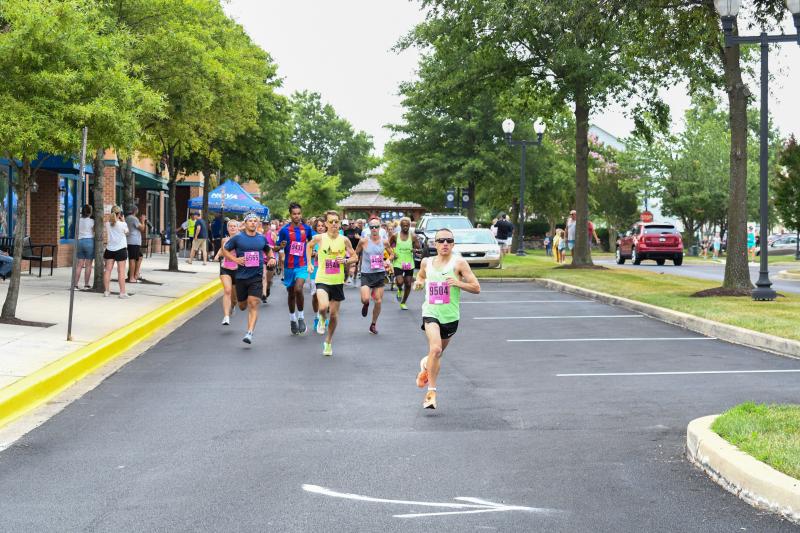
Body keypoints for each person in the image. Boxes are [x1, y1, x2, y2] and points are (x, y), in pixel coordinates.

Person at [413, 228, 481, 409]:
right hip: (431, 312)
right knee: (435, 349)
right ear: (434, 244)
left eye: (449, 241)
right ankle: (431, 393)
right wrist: (419, 282)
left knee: (437, 353)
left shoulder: (459, 263)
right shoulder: (426, 262)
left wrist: (458, 283)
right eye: (441, 241)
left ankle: (426, 364)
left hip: (450, 317)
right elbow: (420, 276)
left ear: (453, 244)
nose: (445, 244)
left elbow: (476, 287)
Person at [306, 210, 357, 356]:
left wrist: (346, 260)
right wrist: (309, 264)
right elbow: (308, 247)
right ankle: (322, 318)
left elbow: (354, 257)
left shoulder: (344, 240)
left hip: (337, 281)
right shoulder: (319, 238)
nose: (334, 224)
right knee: (323, 306)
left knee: (334, 315)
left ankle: (328, 342)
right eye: (331, 222)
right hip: (322, 278)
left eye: (336, 221)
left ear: (339, 224)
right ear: (326, 224)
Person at [222, 212, 277, 344]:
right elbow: (225, 249)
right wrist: (235, 259)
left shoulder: (261, 238)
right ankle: (235, 305)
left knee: (253, 303)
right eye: (250, 221)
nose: (253, 223)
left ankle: (249, 332)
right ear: (245, 223)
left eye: (255, 221)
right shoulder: (237, 238)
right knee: (242, 305)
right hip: (241, 276)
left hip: (256, 276)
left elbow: (268, 249)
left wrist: (272, 258)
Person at [278, 202, 313, 335]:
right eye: (294, 214)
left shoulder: (307, 229)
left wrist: (312, 251)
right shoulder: (284, 230)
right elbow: (277, 247)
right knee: (291, 293)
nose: (297, 216)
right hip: (289, 266)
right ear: (290, 215)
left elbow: (311, 243)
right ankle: (292, 319)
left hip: (302, 265)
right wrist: (280, 246)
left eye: (299, 213)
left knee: (299, 289)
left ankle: (301, 317)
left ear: (301, 214)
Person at [355, 218, 394, 334]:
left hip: (379, 273)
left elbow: (392, 254)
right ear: (369, 228)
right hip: (366, 273)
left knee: (378, 301)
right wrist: (353, 265)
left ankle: (373, 324)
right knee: (365, 299)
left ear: (380, 228)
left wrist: (388, 261)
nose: (374, 229)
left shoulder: (384, 241)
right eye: (372, 227)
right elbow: (355, 253)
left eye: (376, 227)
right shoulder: (363, 241)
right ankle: (366, 304)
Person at [215, 219, 240, 325]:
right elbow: (222, 249)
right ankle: (226, 317)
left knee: (234, 298)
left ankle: (233, 305)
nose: (232, 228)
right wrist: (217, 255)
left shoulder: (241, 240)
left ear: (238, 228)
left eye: (235, 226)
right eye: (231, 226)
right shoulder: (224, 240)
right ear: (228, 228)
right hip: (225, 268)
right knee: (227, 290)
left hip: (238, 269)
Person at [390, 217, 420, 310]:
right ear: (400, 226)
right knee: (400, 281)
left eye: (407, 225)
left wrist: (415, 250)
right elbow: (388, 245)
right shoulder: (395, 235)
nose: (406, 227)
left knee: (407, 284)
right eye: (404, 225)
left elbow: (418, 248)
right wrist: (392, 253)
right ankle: (399, 289)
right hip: (398, 262)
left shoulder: (413, 236)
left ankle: (403, 302)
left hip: (409, 262)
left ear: (409, 226)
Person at [103, 205, 130, 299]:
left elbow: (112, 223)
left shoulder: (107, 224)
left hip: (109, 249)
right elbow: (127, 232)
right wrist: (123, 221)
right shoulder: (123, 224)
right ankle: (122, 293)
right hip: (121, 250)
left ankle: (106, 291)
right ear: (119, 214)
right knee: (121, 272)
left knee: (107, 271)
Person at [309, 217, 327, 332]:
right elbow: (307, 251)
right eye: (318, 226)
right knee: (315, 295)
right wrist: (313, 253)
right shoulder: (313, 239)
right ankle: (317, 318)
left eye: (322, 226)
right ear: (315, 227)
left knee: (325, 296)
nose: (320, 227)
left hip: (327, 271)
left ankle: (322, 318)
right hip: (315, 270)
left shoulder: (330, 239)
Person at [74, 204, 95, 290]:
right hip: (89, 241)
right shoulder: (92, 221)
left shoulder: (78, 220)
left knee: (79, 264)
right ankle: (86, 284)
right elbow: (94, 232)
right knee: (88, 265)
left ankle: (75, 284)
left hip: (80, 241)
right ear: (90, 212)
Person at [126, 205, 146, 284]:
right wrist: (143, 221)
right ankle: (132, 278)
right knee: (132, 259)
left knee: (139, 257)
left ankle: (136, 274)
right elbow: (142, 228)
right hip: (133, 242)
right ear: (135, 211)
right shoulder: (134, 219)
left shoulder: (127, 218)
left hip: (131, 241)